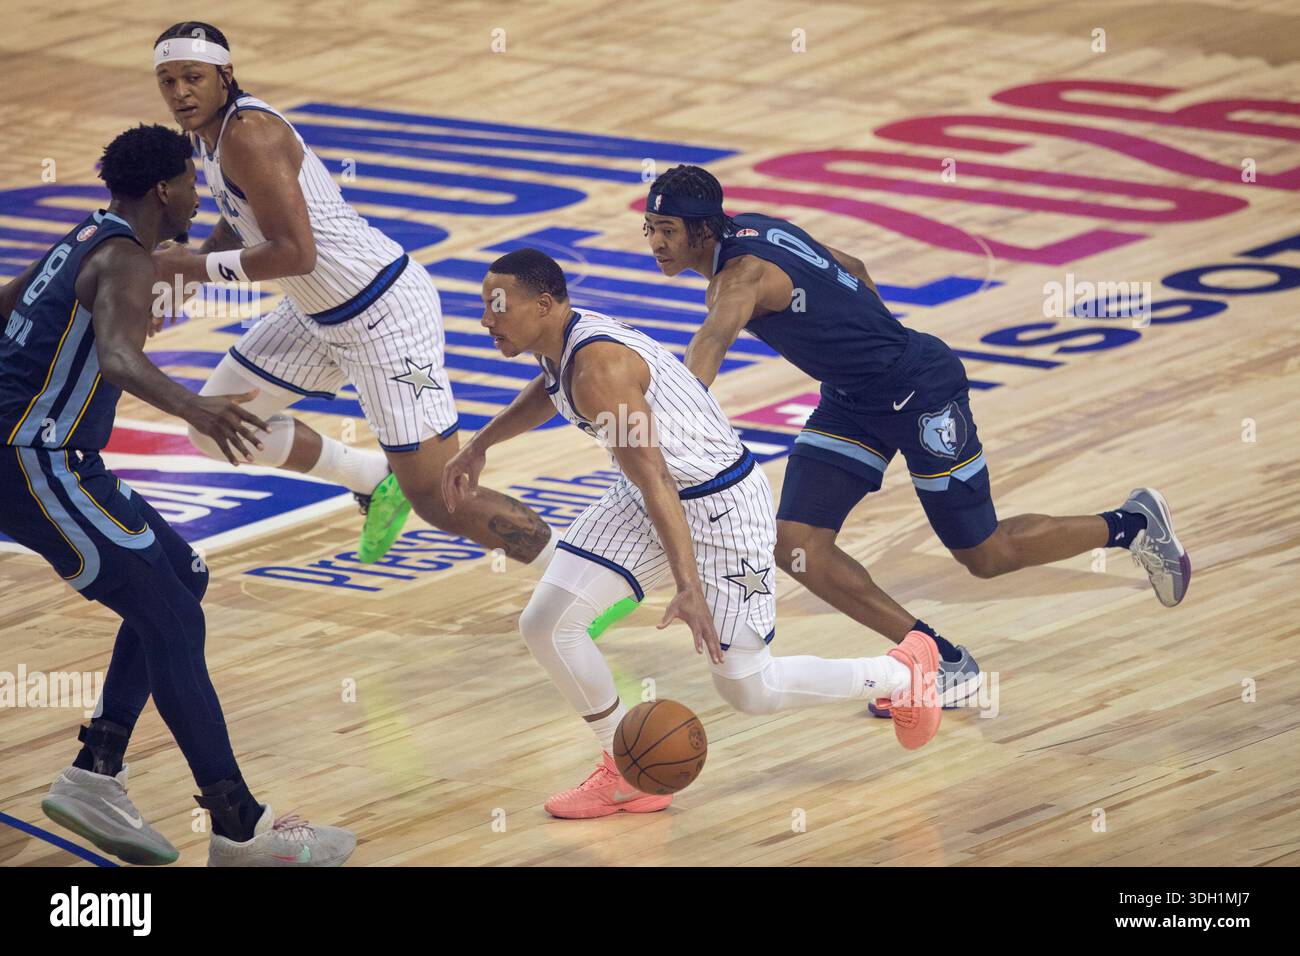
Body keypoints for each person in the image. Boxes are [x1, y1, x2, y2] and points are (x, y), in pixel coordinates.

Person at [643, 165, 1191, 715]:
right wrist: (863, 343)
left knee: (985, 554)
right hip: (853, 399)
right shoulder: (759, 227)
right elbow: (851, 266)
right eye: (650, 227)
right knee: (795, 544)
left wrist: (679, 417)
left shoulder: (739, 277)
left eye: (668, 229)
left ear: (703, 229)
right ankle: (939, 659)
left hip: (919, 390)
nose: (657, 243)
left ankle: (1133, 525)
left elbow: (713, 337)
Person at [443, 248, 943, 820]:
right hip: (652, 498)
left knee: (748, 689)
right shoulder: (561, 348)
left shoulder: (599, 370)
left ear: (545, 304)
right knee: (547, 624)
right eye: (486, 305)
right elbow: (552, 391)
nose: (486, 319)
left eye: (498, 305)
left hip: (721, 509)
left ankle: (903, 672)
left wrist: (689, 586)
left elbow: (656, 477)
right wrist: (482, 442)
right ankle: (626, 773)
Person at [0, 123, 354, 865]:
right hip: (39, 463)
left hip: (53, 460)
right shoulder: (124, 260)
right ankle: (238, 830)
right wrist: (197, 409)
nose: (199, 195)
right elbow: (122, 360)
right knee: (171, 623)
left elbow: (8, 303)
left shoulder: (87, 238)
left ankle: (96, 772)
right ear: (165, 190)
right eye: (192, 184)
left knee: (183, 580)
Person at [149, 21, 556, 566]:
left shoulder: (251, 135)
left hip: (384, 313)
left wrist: (192, 269)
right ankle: (370, 476)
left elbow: (295, 254)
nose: (180, 93)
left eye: (192, 77)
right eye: (168, 80)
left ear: (226, 74)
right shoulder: (209, 135)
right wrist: (180, 280)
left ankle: (576, 575)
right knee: (216, 425)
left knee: (439, 498)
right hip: (318, 314)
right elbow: (240, 218)